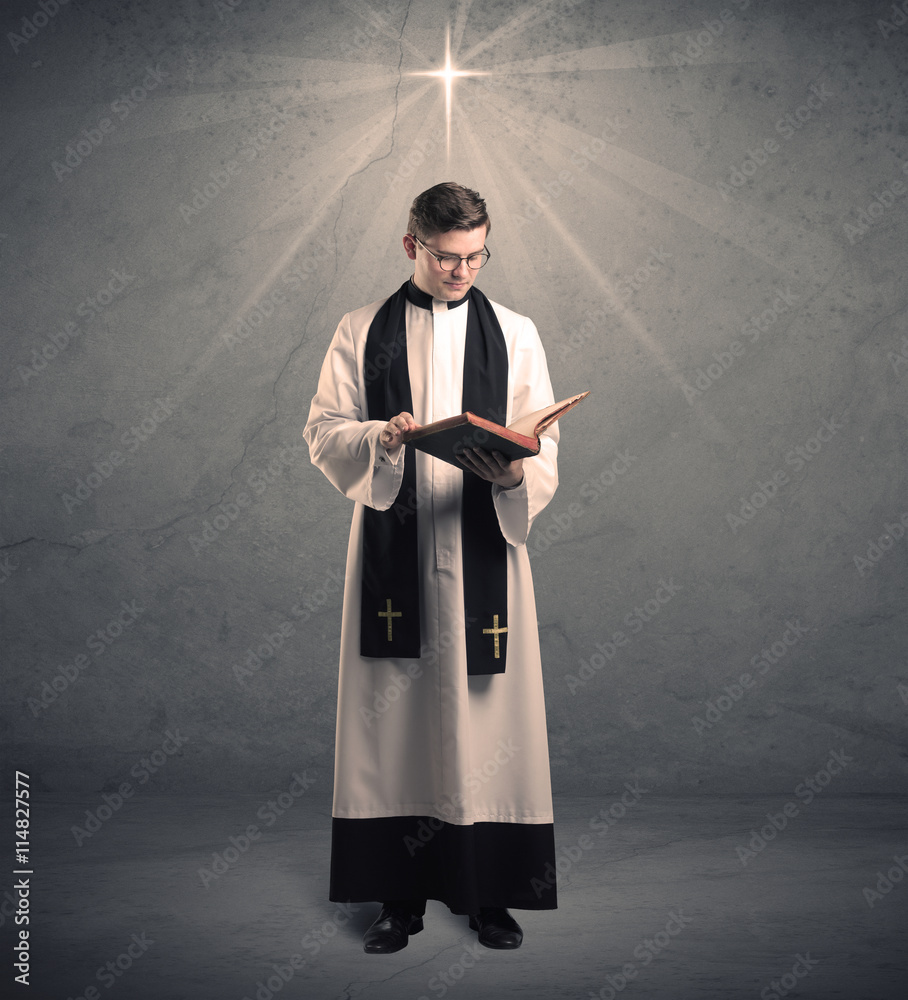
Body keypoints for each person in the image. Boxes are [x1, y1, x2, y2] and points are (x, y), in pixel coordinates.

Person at [303, 181, 560, 954]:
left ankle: (492, 897)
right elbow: (322, 432)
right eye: (449, 257)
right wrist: (382, 437)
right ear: (412, 245)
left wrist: (515, 475)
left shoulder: (514, 332)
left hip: (483, 557)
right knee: (398, 725)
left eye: (477, 257)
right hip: (398, 560)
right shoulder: (360, 330)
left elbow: (540, 440)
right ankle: (398, 898)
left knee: (490, 722)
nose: (463, 272)